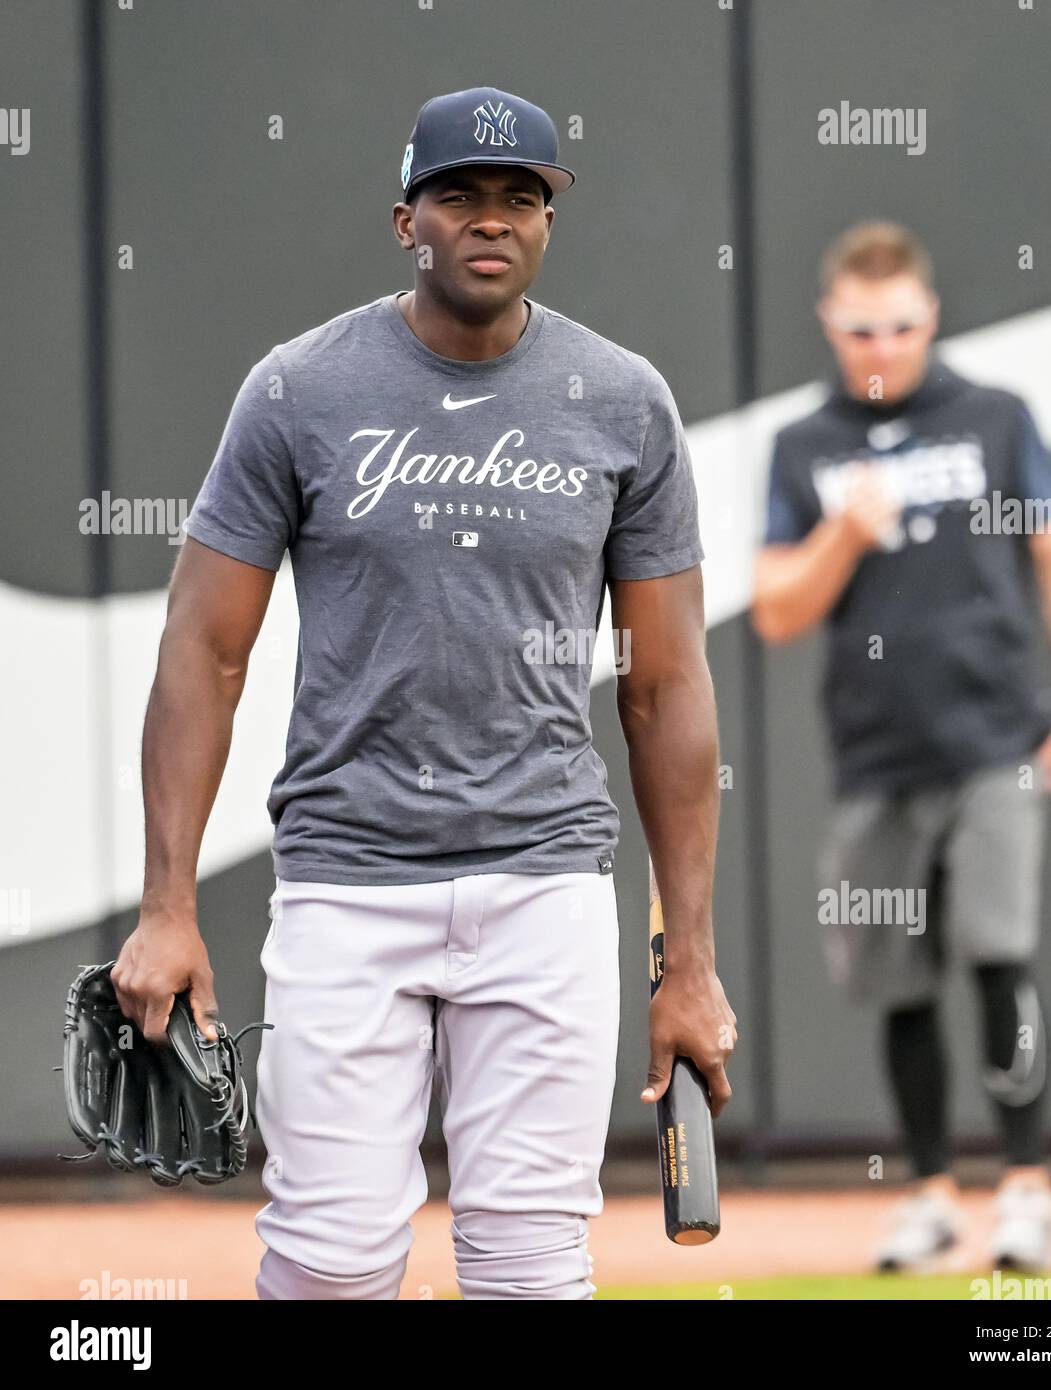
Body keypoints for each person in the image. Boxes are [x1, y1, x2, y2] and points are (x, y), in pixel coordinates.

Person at [110, 86, 736, 1300]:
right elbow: (202, 650)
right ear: (407, 219)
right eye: (458, 195)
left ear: (547, 221)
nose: (489, 218)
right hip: (348, 878)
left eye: (519, 197)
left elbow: (662, 686)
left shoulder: (622, 401)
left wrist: (690, 965)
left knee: (529, 1268)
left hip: (544, 881)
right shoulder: (298, 390)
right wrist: (166, 905)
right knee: (327, 1265)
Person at [752, 222, 1051, 1273]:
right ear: (830, 324)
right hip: (875, 756)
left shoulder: (994, 417)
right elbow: (774, 607)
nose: (883, 348)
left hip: (994, 740)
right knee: (897, 983)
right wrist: (842, 534)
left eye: (902, 327)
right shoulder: (804, 443)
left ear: (932, 317)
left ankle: (1026, 1190)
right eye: (862, 330)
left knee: (998, 953)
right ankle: (927, 1195)